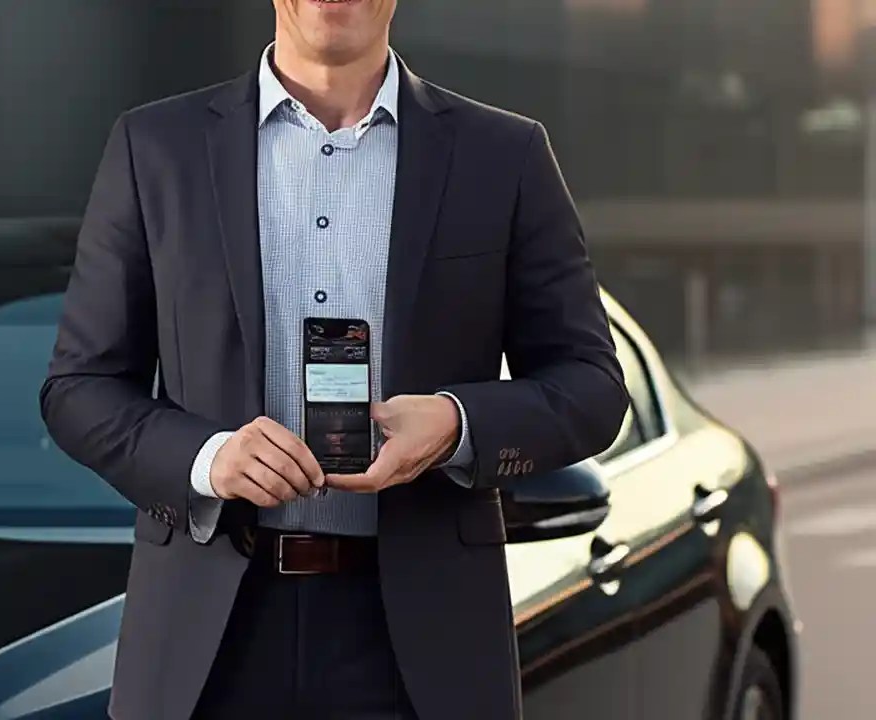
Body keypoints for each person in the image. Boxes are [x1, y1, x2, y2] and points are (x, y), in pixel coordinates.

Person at [40, 0, 628, 717]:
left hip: (418, 643)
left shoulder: (503, 156)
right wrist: (207, 458)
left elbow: (591, 387)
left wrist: (456, 422)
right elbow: (81, 385)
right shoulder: (154, 147)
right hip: (207, 638)